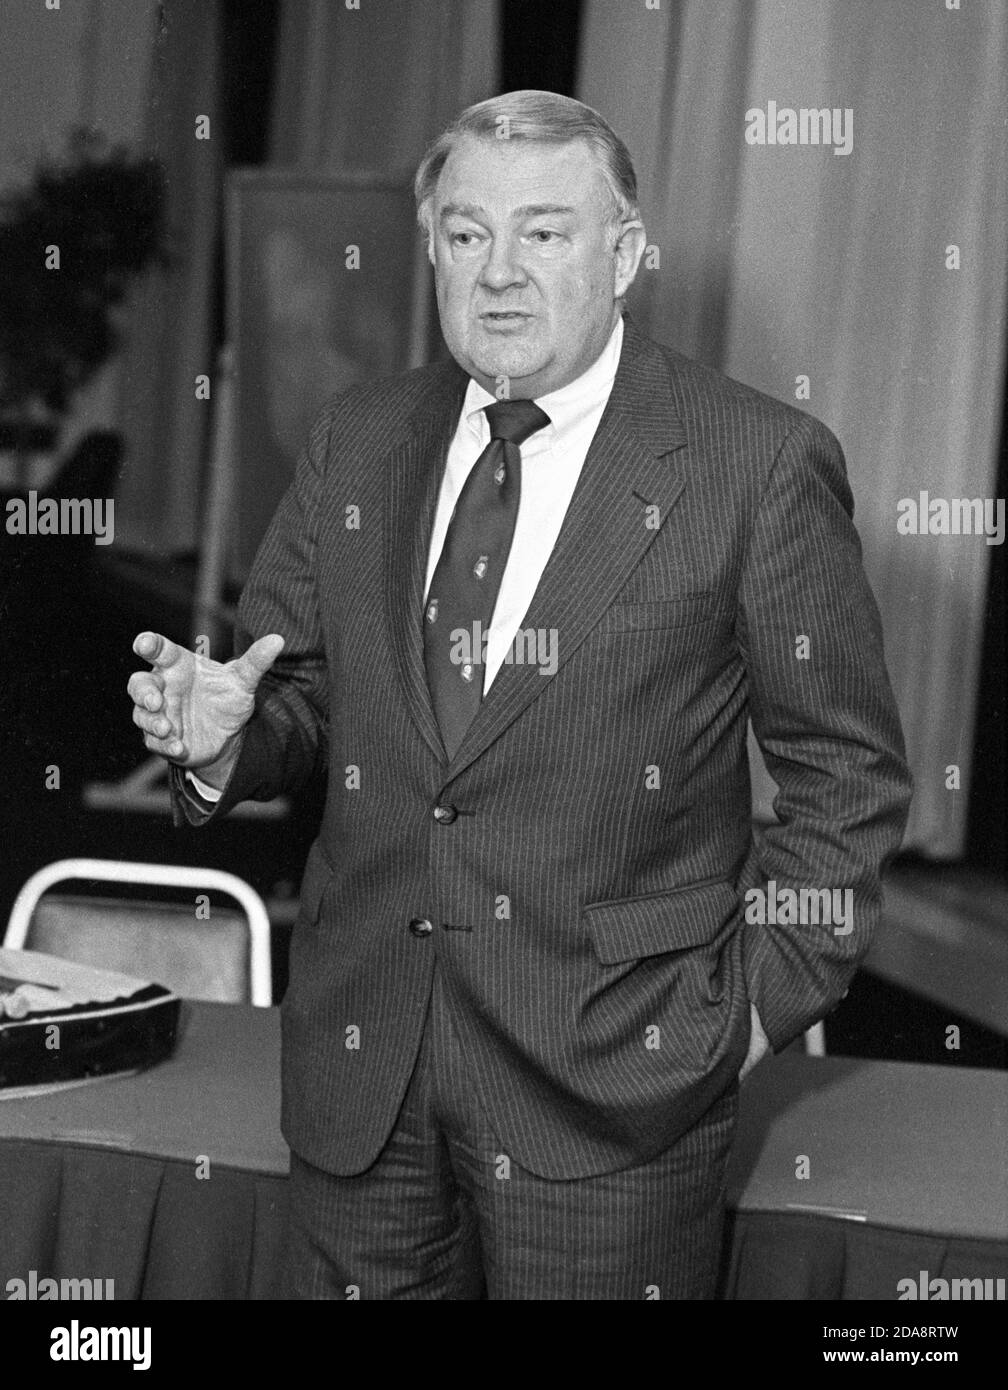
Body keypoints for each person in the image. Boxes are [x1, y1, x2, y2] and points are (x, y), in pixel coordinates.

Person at [127, 90, 913, 1300]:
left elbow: (847, 782)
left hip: (616, 1096)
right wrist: (224, 742)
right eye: (465, 233)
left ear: (626, 255)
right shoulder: (358, 439)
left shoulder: (754, 464)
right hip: (362, 1078)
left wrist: (744, 1020)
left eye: (544, 233)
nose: (499, 273)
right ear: (431, 244)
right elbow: (302, 703)